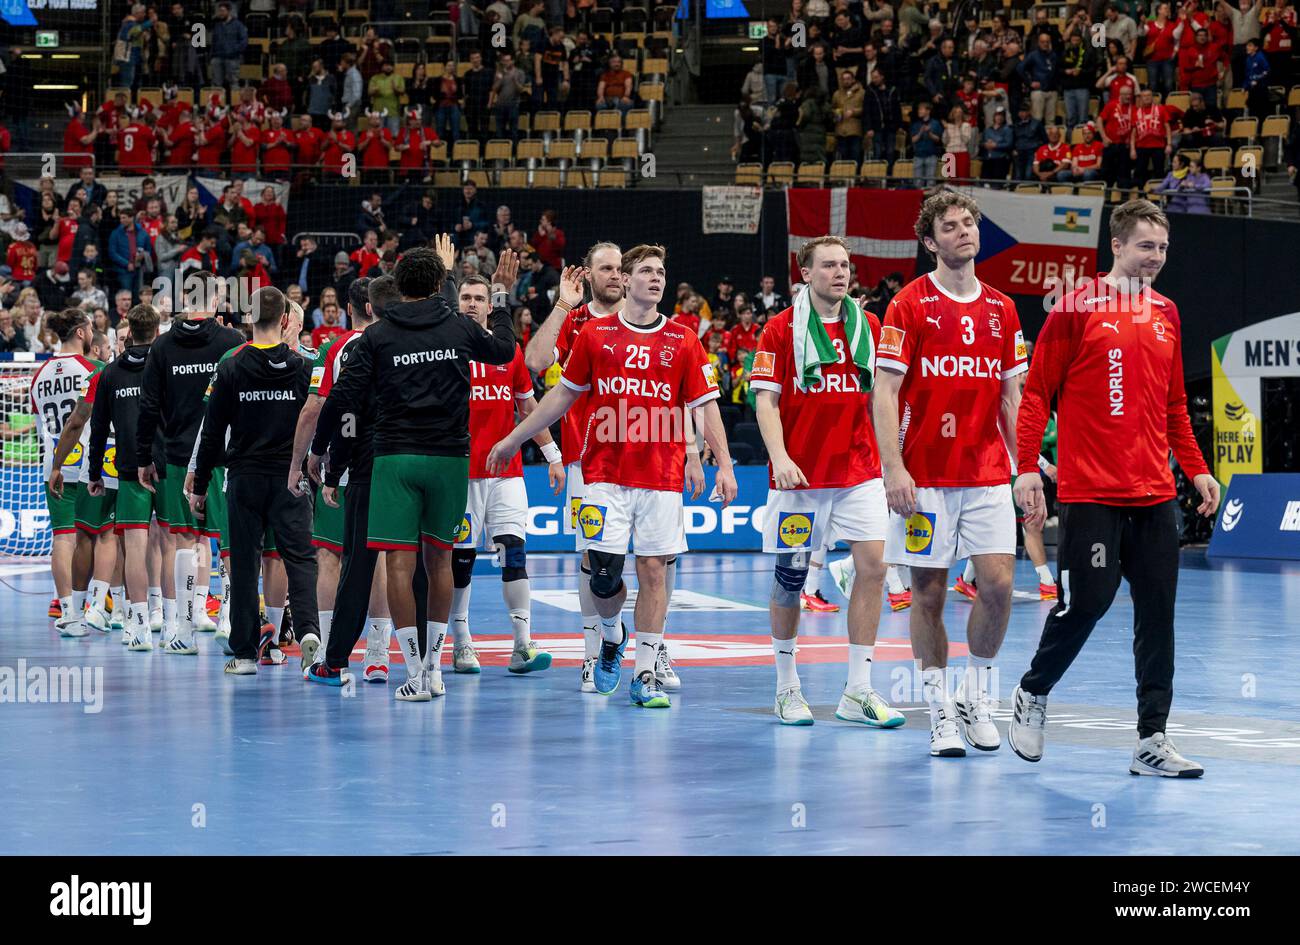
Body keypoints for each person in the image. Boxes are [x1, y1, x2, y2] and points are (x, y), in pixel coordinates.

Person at [1008, 199, 1220, 776]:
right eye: (1146, 246)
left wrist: (1195, 466)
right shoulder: (1074, 309)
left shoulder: (1168, 314)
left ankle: (1152, 738)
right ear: (1118, 246)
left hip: (1154, 494)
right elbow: (1035, 396)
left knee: (1158, 614)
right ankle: (1032, 690)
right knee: (1088, 603)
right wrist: (1028, 465)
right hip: (1091, 492)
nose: (1155, 257)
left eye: (1164, 248)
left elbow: (1175, 405)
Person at [487, 245, 738, 709]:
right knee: (603, 575)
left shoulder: (683, 338)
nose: (656, 278)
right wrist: (513, 439)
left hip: (660, 477)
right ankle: (610, 635)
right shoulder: (596, 335)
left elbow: (703, 405)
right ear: (627, 279)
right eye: (646, 271)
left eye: (662, 272)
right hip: (602, 473)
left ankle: (645, 672)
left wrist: (720, 461)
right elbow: (560, 395)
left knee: (655, 572)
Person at [308, 248, 521, 700]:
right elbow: (503, 350)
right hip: (450, 459)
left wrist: (321, 450)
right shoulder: (460, 325)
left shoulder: (377, 337)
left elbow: (343, 396)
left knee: (399, 563)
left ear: (399, 288)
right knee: (440, 560)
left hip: (394, 459)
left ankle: (414, 675)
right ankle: (437, 669)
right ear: (438, 284)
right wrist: (500, 297)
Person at [872, 189, 1027, 758]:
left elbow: (1012, 397)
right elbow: (884, 391)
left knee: (1000, 586)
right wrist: (894, 467)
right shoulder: (908, 305)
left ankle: (976, 694)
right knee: (929, 595)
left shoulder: (1002, 309)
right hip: (926, 477)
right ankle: (938, 710)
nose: (964, 232)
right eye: (951, 226)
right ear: (929, 240)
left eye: (969, 223)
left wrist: (1026, 465)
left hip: (986, 472)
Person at [750, 236, 902, 727]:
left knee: (874, 568)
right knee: (790, 581)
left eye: (845, 265)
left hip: (858, 472)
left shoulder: (871, 326)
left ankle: (857, 690)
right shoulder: (778, 331)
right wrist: (780, 457)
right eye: (830, 265)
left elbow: (886, 396)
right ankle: (786, 686)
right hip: (800, 478)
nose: (841, 273)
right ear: (806, 274)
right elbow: (766, 401)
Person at [192, 286, 319, 675]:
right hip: (289, 476)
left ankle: (245, 653)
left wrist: (199, 486)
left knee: (245, 563)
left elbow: (212, 432)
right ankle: (309, 632)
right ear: (285, 320)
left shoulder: (231, 366)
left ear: (249, 320)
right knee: (300, 558)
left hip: (244, 477)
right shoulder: (302, 367)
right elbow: (316, 420)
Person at [447, 273, 560, 675]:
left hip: (506, 473)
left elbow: (530, 409)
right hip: (460, 473)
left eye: (479, 297)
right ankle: (461, 643)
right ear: (456, 302)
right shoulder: (449, 349)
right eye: (465, 297)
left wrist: (552, 454)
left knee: (514, 551)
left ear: (489, 304)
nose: (472, 303)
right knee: (460, 559)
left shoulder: (507, 351)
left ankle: (523, 644)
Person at [135, 271, 246, 655]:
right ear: (214, 302)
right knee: (231, 541)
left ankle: (180, 627)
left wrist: (144, 456)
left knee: (182, 540)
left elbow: (148, 407)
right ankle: (233, 621)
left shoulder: (162, 346)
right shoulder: (233, 341)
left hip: (178, 457)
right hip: (224, 459)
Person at [84, 303, 160, 648]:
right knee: (177, 540)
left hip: (129, 467)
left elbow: (98, 427)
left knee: (135, 544)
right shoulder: (166, 364)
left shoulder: (110, 373)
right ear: (156, 331)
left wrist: (94, 471)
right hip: (167, 465)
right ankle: (174, 621)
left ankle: (138, 626)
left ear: (128, 331)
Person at [28, 309, 99, 636]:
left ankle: (68, 612)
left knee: (63, 538)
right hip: (88, 463)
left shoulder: (39, 374)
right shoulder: (91, 369)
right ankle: (100, 607)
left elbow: (40, 421)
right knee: (100, 536)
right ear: (82, 333)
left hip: (53, 463)